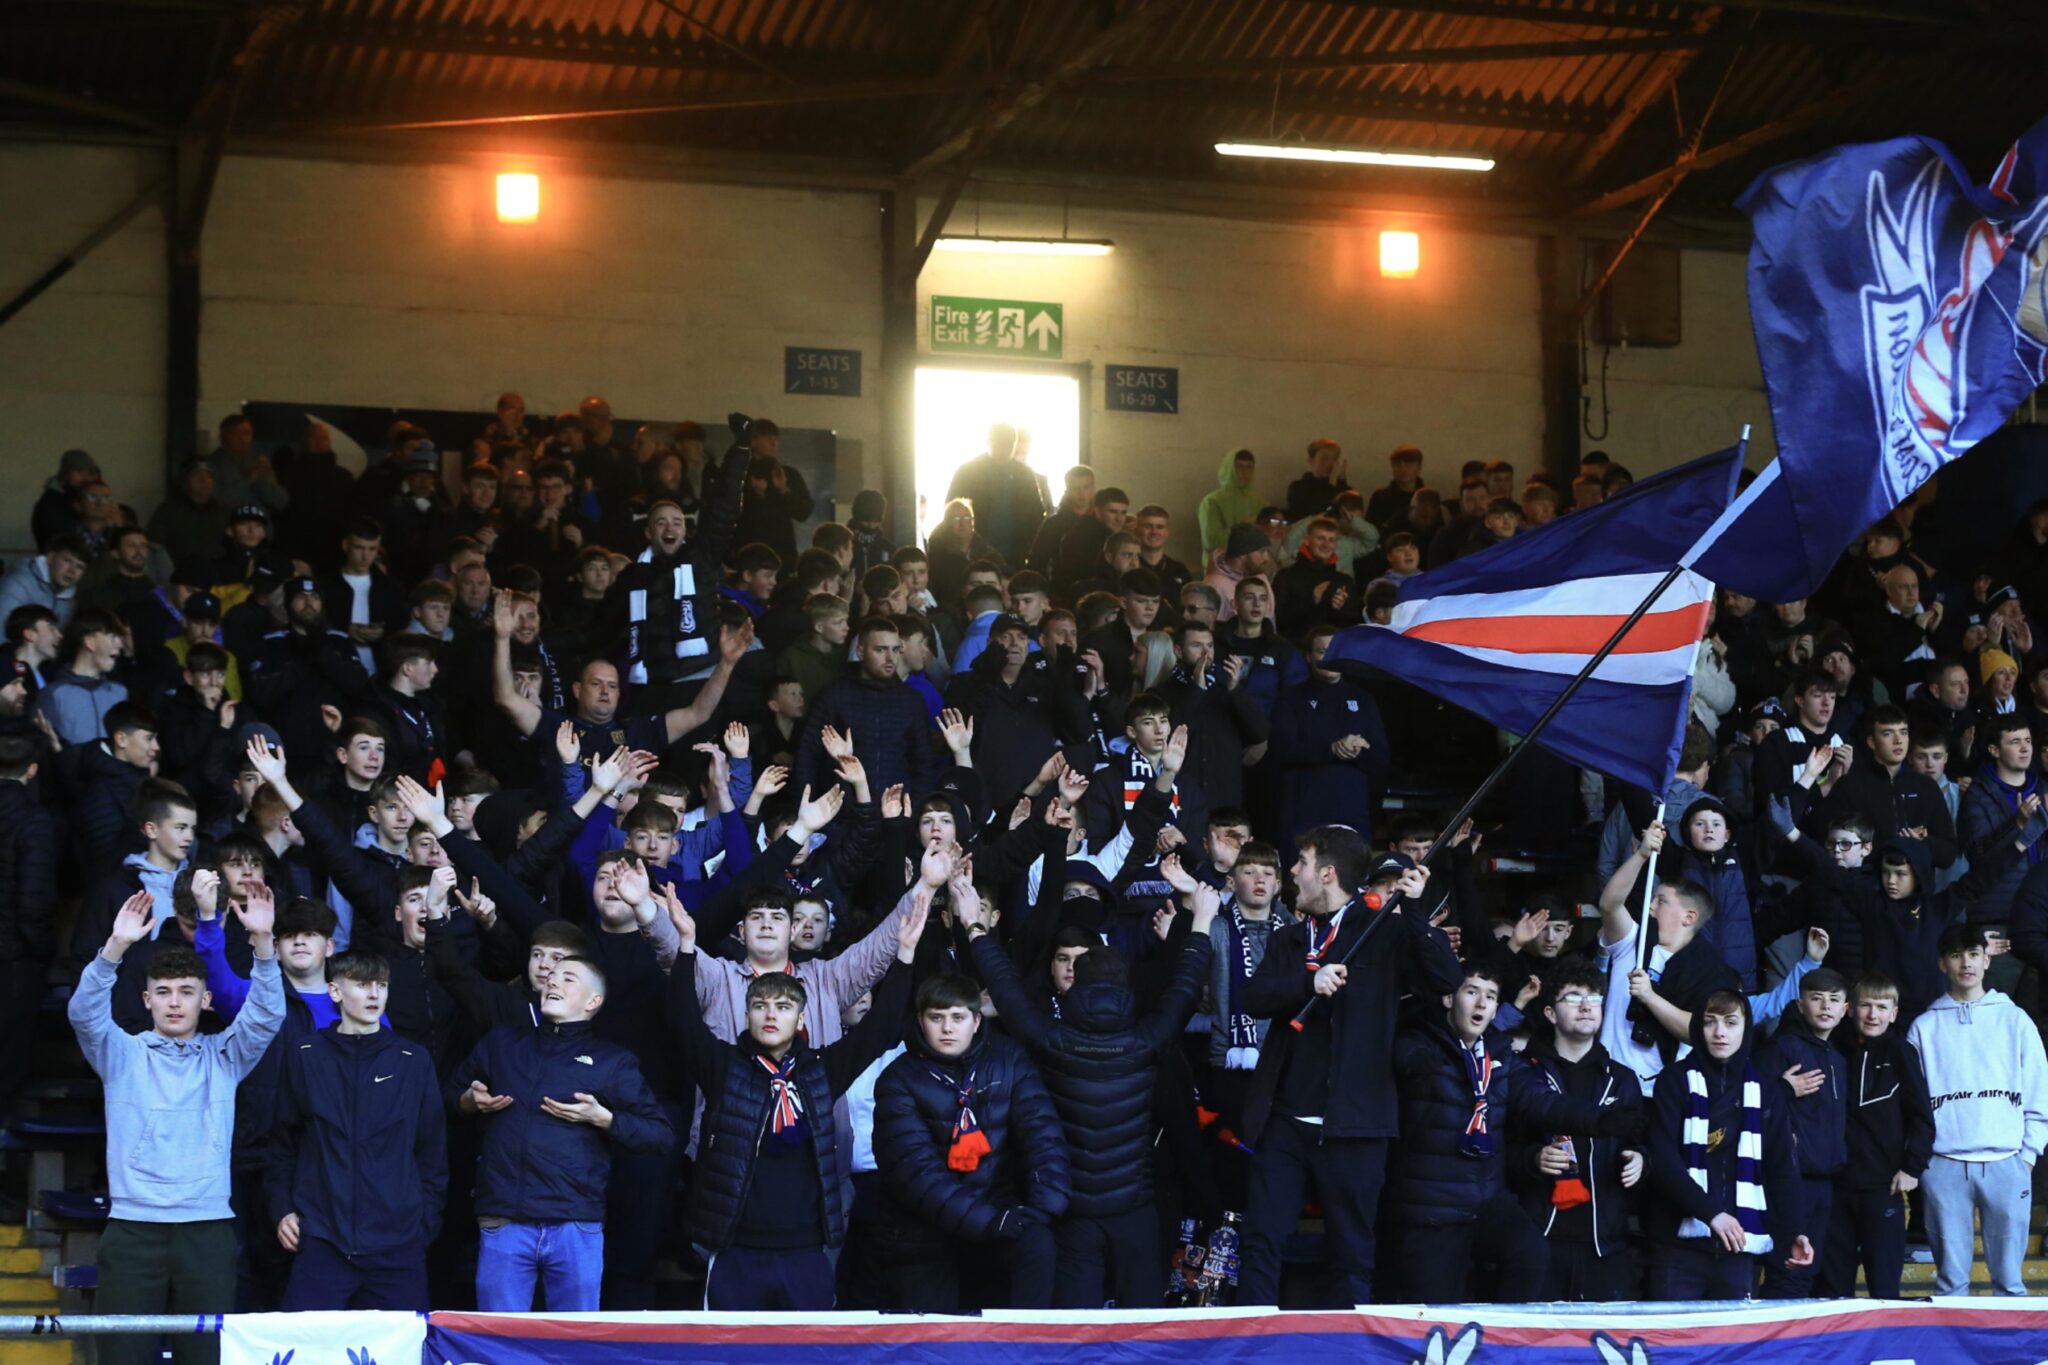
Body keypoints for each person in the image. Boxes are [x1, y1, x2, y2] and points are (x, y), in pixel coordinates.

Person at [964, 872, 1214, 1308]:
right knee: (1141, 1325)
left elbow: (1004, 988)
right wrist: (1202, 921)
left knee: (1078, 1326)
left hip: (1074, 1210)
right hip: (1135, 1207)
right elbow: (1186, 986)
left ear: (1077, 985)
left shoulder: (1051, 1041)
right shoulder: (1146, 1042)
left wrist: (974, 927)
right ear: (1124, 986)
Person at [1235, 828, 1462, 1305]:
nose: (1292, 871)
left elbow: (1446, 979)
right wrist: (1308, 983)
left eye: (1301, 862)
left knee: (1352, 1252)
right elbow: (1253, 997)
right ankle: (1256, 1339)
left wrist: (1414, 910)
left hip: (1357, 1125)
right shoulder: (1290, 938)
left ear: (1327, 873)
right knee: (1260, 1242)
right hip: (1285, 1122)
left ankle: (1351, 1343)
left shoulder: (1383, 932)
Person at [667, 881, 920, 1309]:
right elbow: (682, 1020)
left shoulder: (821, 1071)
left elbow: (879, 1031)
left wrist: (906, 956)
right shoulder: (723, 1067)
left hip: (806, 1249)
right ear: (746, 1015)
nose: (771, 1015)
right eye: (760, 1006)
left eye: (783, 1007)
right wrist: (687, 944)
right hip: (734, 1248)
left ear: (801, 1019)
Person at [69, 886, 281, 1365]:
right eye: (163, 993)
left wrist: (264, 943)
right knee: (121, 1358)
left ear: (206, 1000)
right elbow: (83, 1013)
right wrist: (115, 947)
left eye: (186, 992)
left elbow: (268, 1014)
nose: (174, 1003)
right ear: (146, 1000)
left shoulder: (225, 1056)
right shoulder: (121, 1053)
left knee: (204, 1357)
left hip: (207, 1228)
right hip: (132, 1227)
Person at [445, 954, 674, 1311]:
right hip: (505, 1219)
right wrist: (468, 1101)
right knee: (499, 1338)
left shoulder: (612, 1060)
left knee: (574, 1339)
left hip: (575, 1224)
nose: (553, 981)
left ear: (593, 1001)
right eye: (551, 976)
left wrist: (604, 1118)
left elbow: (659, 1134)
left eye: (568, 978)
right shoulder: (502, 1043)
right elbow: (448, 1098)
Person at [871, 968, 1072, 1313]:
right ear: (920, 1021)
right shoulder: (897, 1079)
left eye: (958, 1017)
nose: (947, 1028)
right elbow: (917, 1176)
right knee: (938, 1336)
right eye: (936, 1018)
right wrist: (990, 1221)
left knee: (1037, 1243)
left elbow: (1044, 1138)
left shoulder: (1009, 1059)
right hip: (925, 1233)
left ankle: (1029, 1343)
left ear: (976, 1021)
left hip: (999, 1216)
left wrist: (1042, 1210)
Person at [263, 947, 447, 1310]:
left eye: (382, 985)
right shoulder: (305, 1054)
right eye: (362, 985)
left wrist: (422, 1226)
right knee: (304, 1342)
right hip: (322, 1242)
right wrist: (283, 1208)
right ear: (335, 991)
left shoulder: (413, 1061)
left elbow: (432, 1153)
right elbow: (281, 1144)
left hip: (398, 1248)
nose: (374, 994)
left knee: (406, 1344)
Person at [1905, 923, 2048, 1297]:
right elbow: (1912, 1104)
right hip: (1944, 1165)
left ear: (1987, 960)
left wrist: (2028, 1155)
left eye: (1972, 954)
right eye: (1956, 955)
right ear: (1942, 963)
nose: (1965, 963)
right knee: (1951, 1285)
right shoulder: (1923, 1028)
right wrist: (1926, 1161)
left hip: (2007, 1162)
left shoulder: (2014, 1019)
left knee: (2010, 1285)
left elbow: (2038, 1090)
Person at [1643, 992, 1812, 1299]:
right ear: (1697, 1028)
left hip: (1740, 1244)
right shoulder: (1673, 1080)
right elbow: (1663, 1160)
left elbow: (1781, 1167)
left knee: (1733, 1332)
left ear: (1746, 1027)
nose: (1720, 1032)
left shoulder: (1765, 1088)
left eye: (1731, 1023)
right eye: (1710, 1022)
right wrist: (1712, 1213)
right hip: (1677, 1246)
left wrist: (1795, 1230)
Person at [1510, 963, 1648, 1302]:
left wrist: (1642, 1159)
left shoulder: (1623, 1079)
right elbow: (1500, 1149)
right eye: (1573, 998)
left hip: (1606, 1245)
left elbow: (1642, 1141)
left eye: (1594, 997)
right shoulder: (1524, 1071)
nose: (1586, 1005)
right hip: (1539, 1240)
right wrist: (1532, 1159)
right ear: (1550, 1013)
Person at [1815, 972, 1932, 1300]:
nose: (1872, 1014)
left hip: (1883, 1187)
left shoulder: (1901, 1052)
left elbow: (1922, 1117)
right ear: (1850, 1009)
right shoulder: (1832, 1050)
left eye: (1881, 1007)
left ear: (1894, 1013)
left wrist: (1912, 1167)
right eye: (1866, 1005)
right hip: (1835, 1187)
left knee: (1884, 1287)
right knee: (1833, 1291)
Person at [1754, 967, 1851, 1297]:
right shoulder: (1781, 1048)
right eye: (1816, 998)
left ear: (1845, 1009)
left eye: (1833, 1000)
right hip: (1789, 1180)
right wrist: (1782, 1089)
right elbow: (1749, 1102)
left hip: (1825, 1180)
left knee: (1808, 1272)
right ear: (1799, 1004)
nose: (1825, 1006)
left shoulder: (1837, 1057)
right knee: (1788, 1272)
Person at [946, 423, 1045, 567]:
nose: (1003, 450)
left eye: (1008, 445)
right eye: (999, 444)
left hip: (1014, 554)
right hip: (975, 552)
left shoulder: (1024, 475)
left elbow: (1036, 515)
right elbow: (952, 510)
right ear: (989, 442)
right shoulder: (968, 473)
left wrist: (1030, 549)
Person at [1197, 449, 1263, 561]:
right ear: (1229, 469)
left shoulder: (1260, 502)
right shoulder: (1212, 501)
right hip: (1220, 567)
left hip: (1253, 566)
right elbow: (1211, 541)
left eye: (1249, 467)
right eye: (1239, 467)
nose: (1244, 472)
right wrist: (1243, 529)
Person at [1285, 437, 1349, 522]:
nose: (1329, 463)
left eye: (1333, 459)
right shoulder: (1298, 488)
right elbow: (1310, 513)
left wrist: (1341, 481)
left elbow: (1347, 511)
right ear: (1311, 460)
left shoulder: (1338, 489)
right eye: (1324, 458)